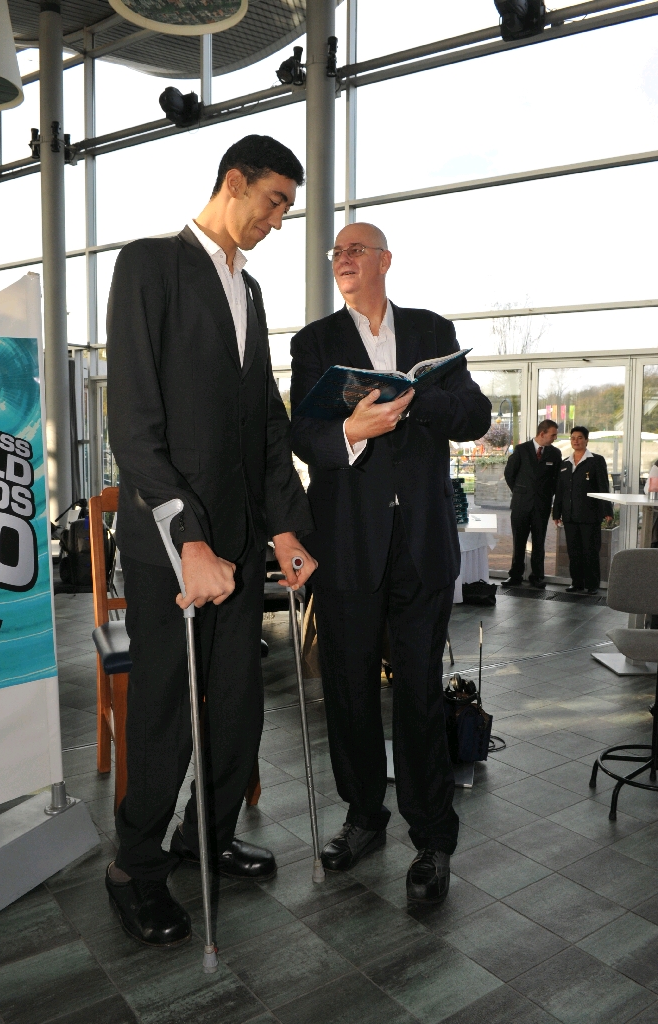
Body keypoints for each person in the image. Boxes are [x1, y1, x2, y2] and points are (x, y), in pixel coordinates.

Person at [105, 135, 316, 948]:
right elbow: (135, 425)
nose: (276, 219)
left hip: (237, 538)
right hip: (172, 546)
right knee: (166, 707)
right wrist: (187, 540)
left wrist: (286, 525)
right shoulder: (148, 266)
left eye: (286, 208)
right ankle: (136, 867)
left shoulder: (250, 290)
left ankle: (206, 833)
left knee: (234, 707)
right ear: (234, 183)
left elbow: (262, 422)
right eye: (273, 202)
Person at [290, 222, 491, 903]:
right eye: (336, 253)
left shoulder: (432, 331)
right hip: (345, 542)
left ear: (383, 261)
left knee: (417, 691)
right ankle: (362, 815)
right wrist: (350, 429)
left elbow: (473, 412)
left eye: (355, 251)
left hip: (422, 542)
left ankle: (432, 834)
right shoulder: (314, 342)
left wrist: (415, 401)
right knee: (345, 689)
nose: (343, 261)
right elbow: (301, 434)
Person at [553, 425, 613, 594]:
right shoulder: (565, 463)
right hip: (570, 515)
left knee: (590, 551)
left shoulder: (596, 461)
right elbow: (560, 491)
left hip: (590, 515)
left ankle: (592, 585)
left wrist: (607, 511)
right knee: (574, 551)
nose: (576, 441)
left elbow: (603, 487)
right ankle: (577, 582)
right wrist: (556, 513)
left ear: (586, 440)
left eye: (580, 438)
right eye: (573, 438)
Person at [502, 419, 561, 589]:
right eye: (553, 434)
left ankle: (537, 577)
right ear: (542, 433)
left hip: (541, 506)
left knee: (539, 542)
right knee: (518, 542)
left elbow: (556, 480)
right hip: (521, 505)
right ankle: (515, 576)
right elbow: (509, 474)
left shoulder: (554, 454)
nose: (555, 438)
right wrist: (521, 491)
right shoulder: (521, 450)